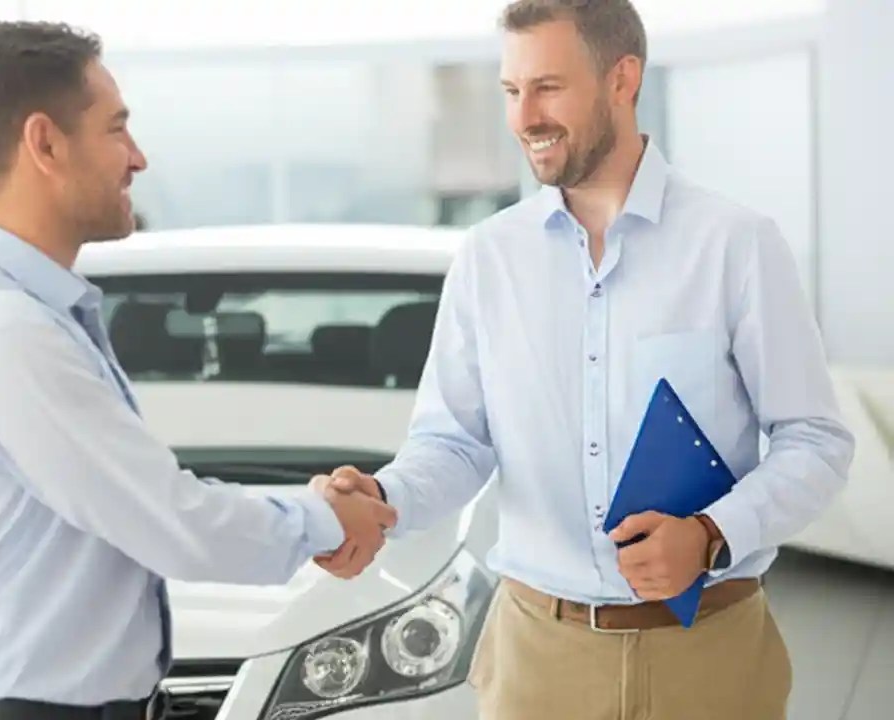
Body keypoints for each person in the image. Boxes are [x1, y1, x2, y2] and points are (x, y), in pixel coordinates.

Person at [314, 1, 854, 718]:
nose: (524, 116)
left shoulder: (735, 245)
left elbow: (816, 442)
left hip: (711, 656)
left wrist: (712, 534)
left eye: (548, 87)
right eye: (512, 91)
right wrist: (384, 501)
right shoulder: (488, 260)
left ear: (622, 80)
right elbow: (454, 443)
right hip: (539, 661)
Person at [0, 22, 396, 720]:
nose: (138, 158)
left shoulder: (5, 313)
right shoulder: (8, 335)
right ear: (44, 143)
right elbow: (172, 521)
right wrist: (323, 517)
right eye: (117, 129)